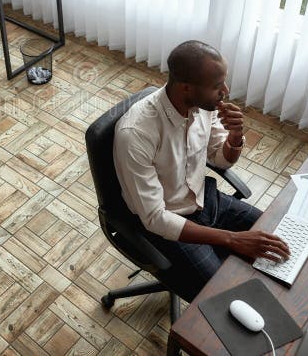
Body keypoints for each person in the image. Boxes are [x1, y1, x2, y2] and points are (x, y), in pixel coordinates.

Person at [113, 40, 290, 301]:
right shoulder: (137, 134)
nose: (225, 92)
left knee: (278, 238)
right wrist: (231, 239)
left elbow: (221, 159)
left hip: (204, 200)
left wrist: (236, 135)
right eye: (217, 86)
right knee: (227, 298)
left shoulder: (202, 108)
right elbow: (155, 219)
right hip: (169, 225)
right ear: (187, 88)